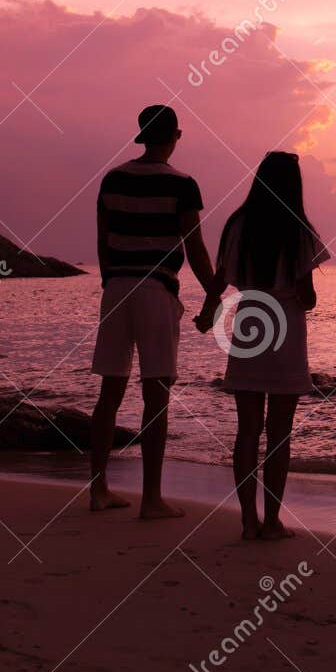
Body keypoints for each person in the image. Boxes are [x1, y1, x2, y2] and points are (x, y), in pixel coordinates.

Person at [196, 151, 329, 540]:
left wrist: (208, 311)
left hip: (251, 328)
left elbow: (220, 279)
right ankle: (272, 520)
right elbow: (307, 298)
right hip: (286, 330)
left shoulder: (238, 224)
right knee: (280, 433)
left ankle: (247, 521)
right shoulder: (299, 230)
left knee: (247, 431)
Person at [89, 104, 214, 517]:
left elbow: (103, 242)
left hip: (117, 287)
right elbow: (194, 248)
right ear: (175, 136)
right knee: (156, 395)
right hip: (156, 289)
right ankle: (151, 499)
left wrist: (111, 280)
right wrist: (213, 296)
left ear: (143, 136)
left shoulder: (113, 178)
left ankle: (99, 490)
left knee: (110, 392)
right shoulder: (183, 185)